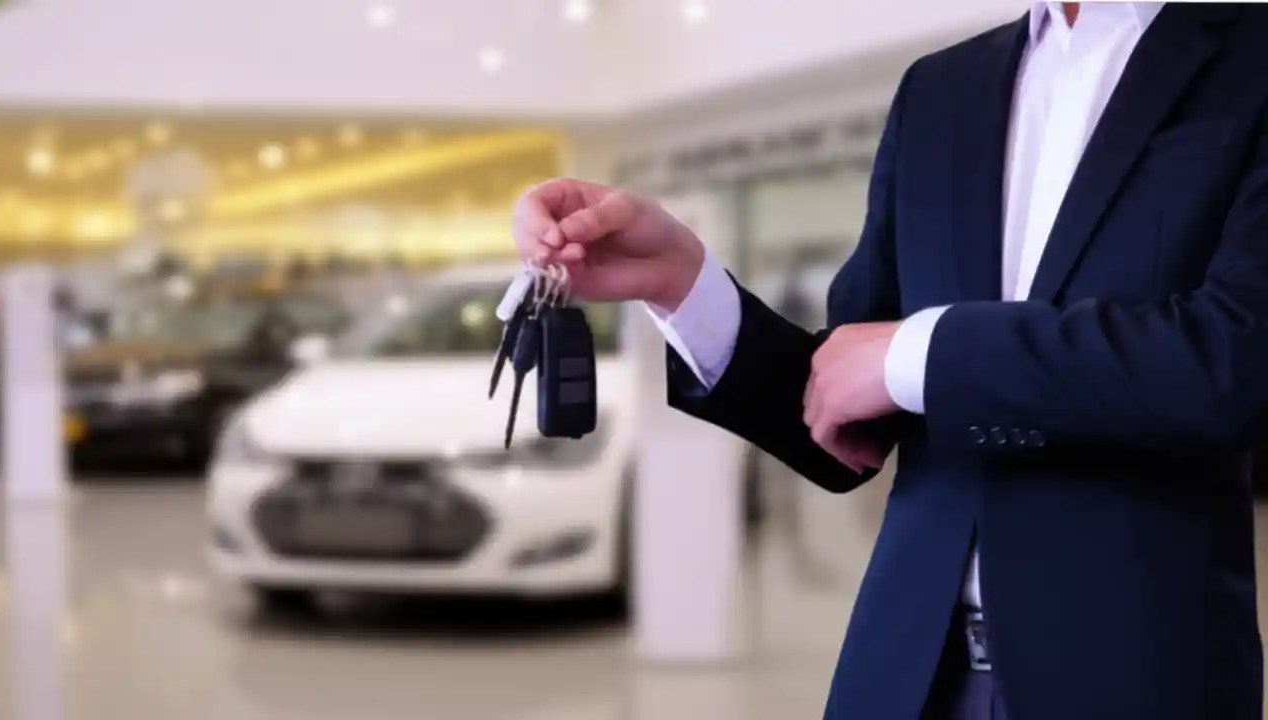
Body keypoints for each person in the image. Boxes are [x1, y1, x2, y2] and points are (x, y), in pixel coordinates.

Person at [512, 3, 1268, 719]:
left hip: (1137, 675)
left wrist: (920, 352)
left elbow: (1235, 361)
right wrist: (681, 283)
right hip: (905, 672)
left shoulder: (1250, 58)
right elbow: (847, 409)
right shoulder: (940, 91)